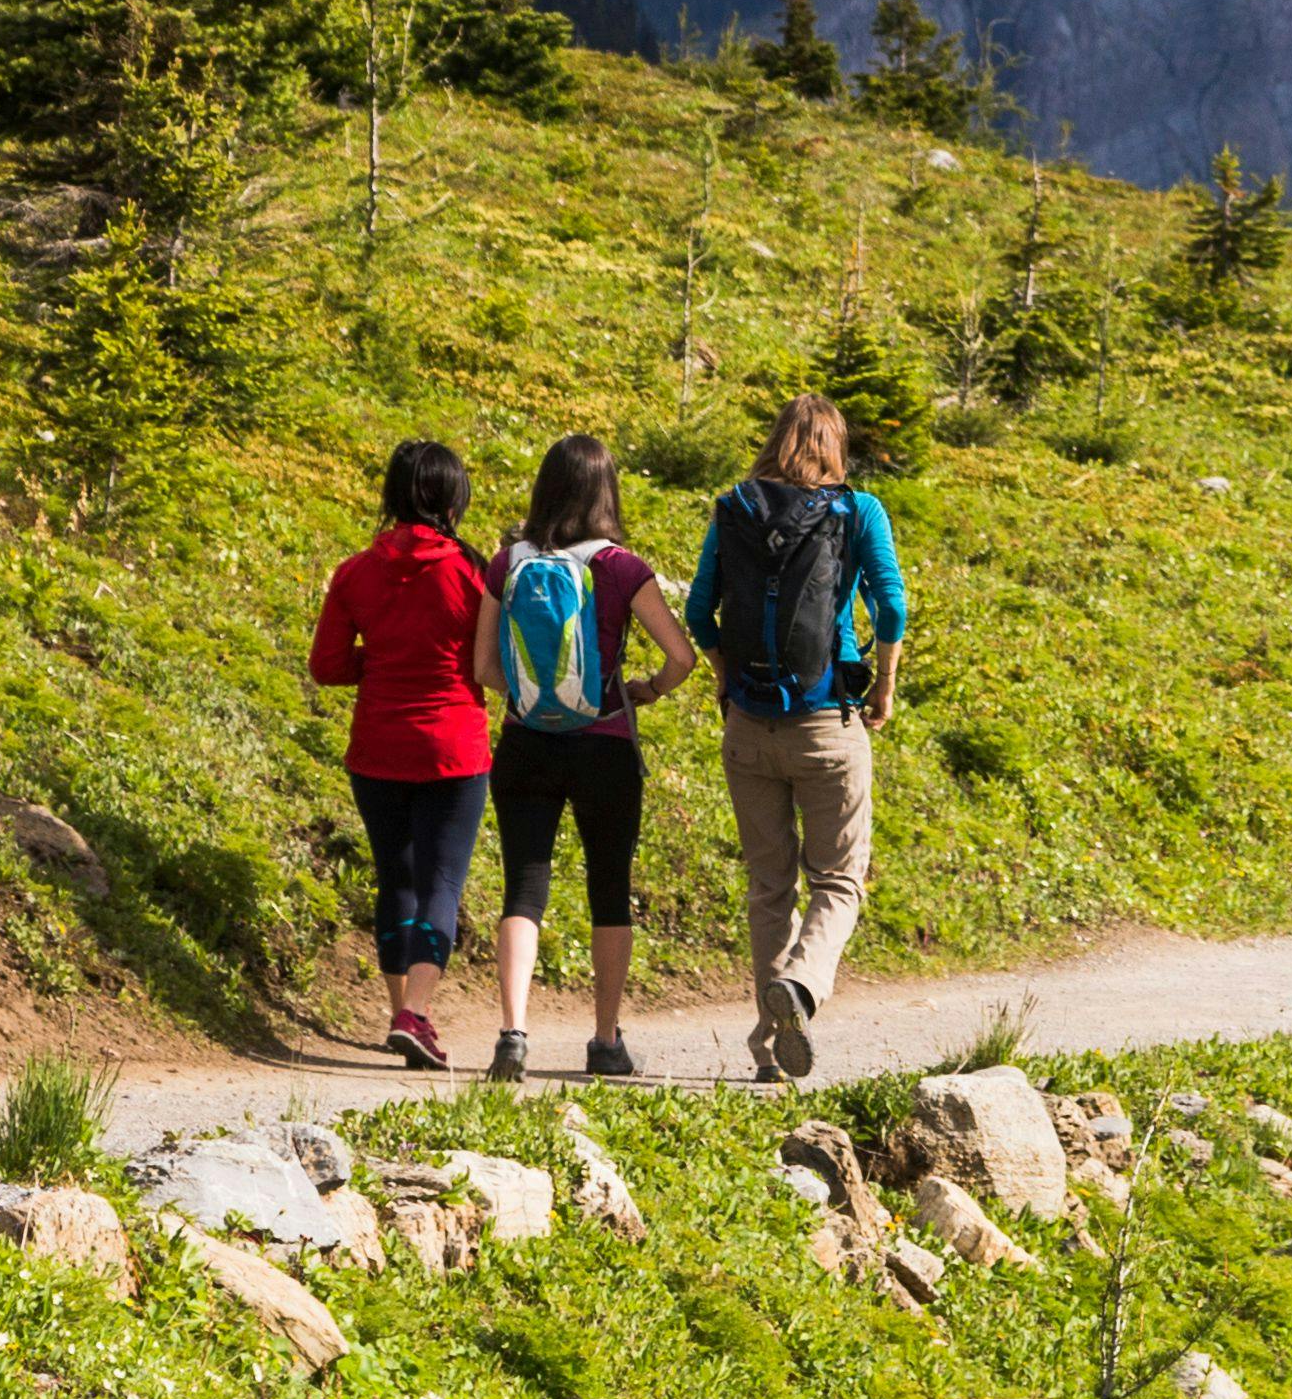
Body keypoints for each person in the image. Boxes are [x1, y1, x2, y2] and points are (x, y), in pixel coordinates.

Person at [677, 389, 908, 1083]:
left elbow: (698, 610)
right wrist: (887, 685)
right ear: (836, 450)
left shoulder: (734, 507)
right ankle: (802, 986)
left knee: (769, 886)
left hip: (749, 726)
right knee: (838, 879)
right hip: (826, 723)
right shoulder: (858, 510)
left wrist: (723, 676)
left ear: (776, 441)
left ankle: (770, 1051)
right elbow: (891, 604)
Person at [473, 428, 697, 1079]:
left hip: (524, 744)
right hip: (604, 747)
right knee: (609, 891)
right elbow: (680, 657)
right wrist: (646, 690)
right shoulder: (621, 567)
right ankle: (604, 1042)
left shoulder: (507, 563)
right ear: (607, 492)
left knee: (523, 892)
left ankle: (513, 1033)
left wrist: (529, 696)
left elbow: (484, 665)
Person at [306, 437, 495, 1068]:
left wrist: (384, 659)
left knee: (397, 879)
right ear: (453, 496)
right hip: (454, 747)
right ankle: (415, 1013)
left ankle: (401, 1013)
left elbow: (328, 666)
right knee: (442, 879)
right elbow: (490, 662)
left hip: (378, 746)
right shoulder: (472, 572)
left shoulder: (356, 571)